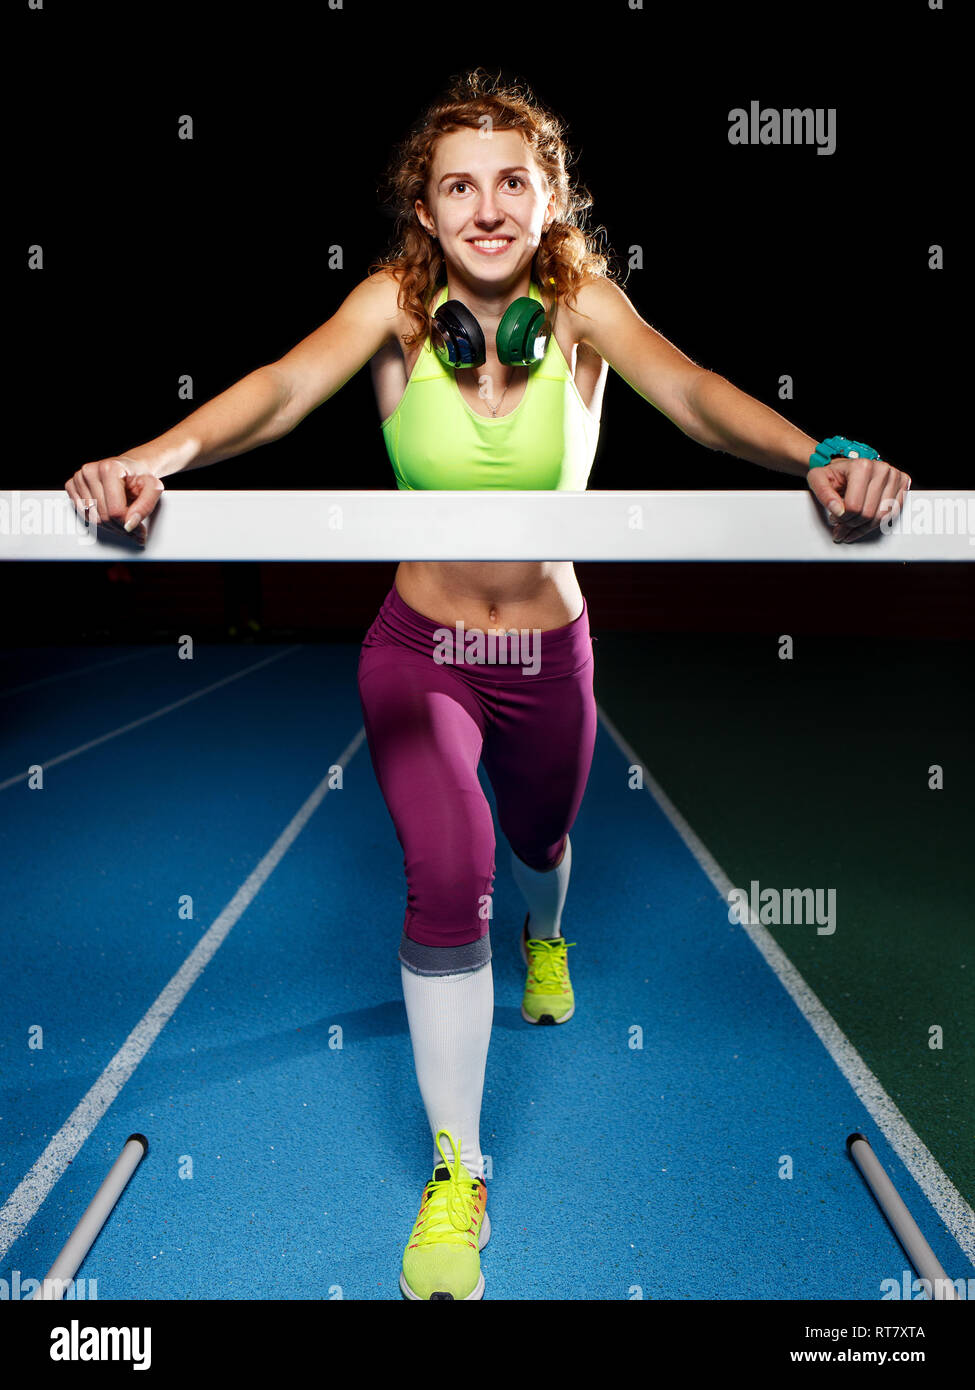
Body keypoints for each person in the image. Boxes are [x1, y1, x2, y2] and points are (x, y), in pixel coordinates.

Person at [64, 68, 911, 1301]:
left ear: (551, 195)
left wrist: (821, 453)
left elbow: (695, 394)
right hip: (421, 648)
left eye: (513, 179)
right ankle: (458, 1169)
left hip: (546, 653)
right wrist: (149, 456)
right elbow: (278, 391)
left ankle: (549, 935)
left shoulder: (579, 309)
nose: (487, 204)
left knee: (544, 835)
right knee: (449, 866)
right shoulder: (394, 310)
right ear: (425, 209)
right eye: (457, 185)